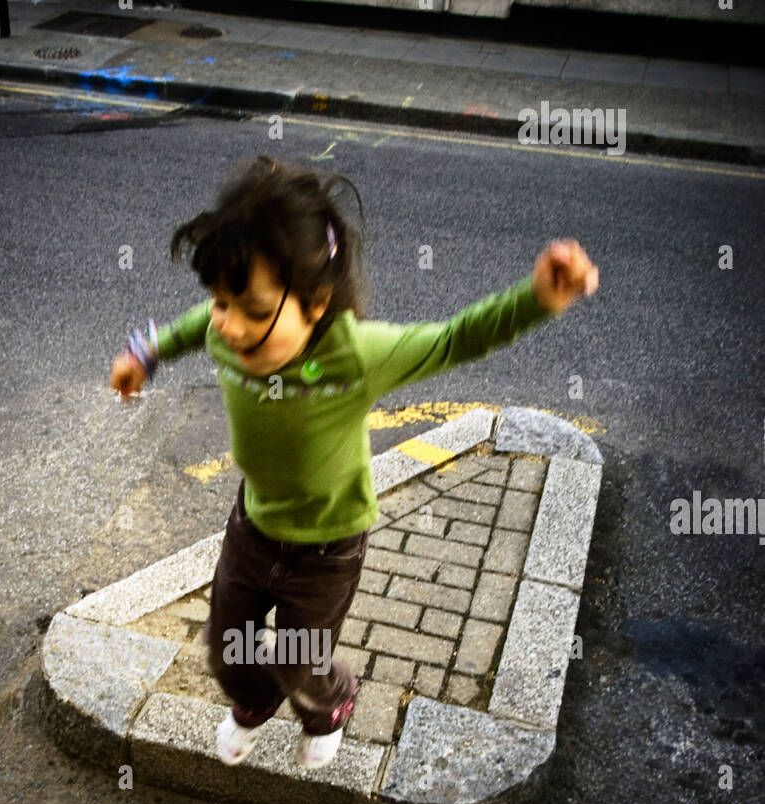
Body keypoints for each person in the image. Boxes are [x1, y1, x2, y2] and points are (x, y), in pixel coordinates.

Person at [110, 155, 599, 770]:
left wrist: (535, 300)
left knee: (300, 660)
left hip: (327, 549)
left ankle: (330, 705)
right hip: (253, 529)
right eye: (219, 302)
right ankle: (255, 703)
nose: (228, 328)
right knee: (227, 653)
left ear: (315, 303)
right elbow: (188, 328)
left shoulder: (356, 356)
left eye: (254, 312)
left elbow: (454, 338)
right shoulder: (225, 326)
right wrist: (144, 353)